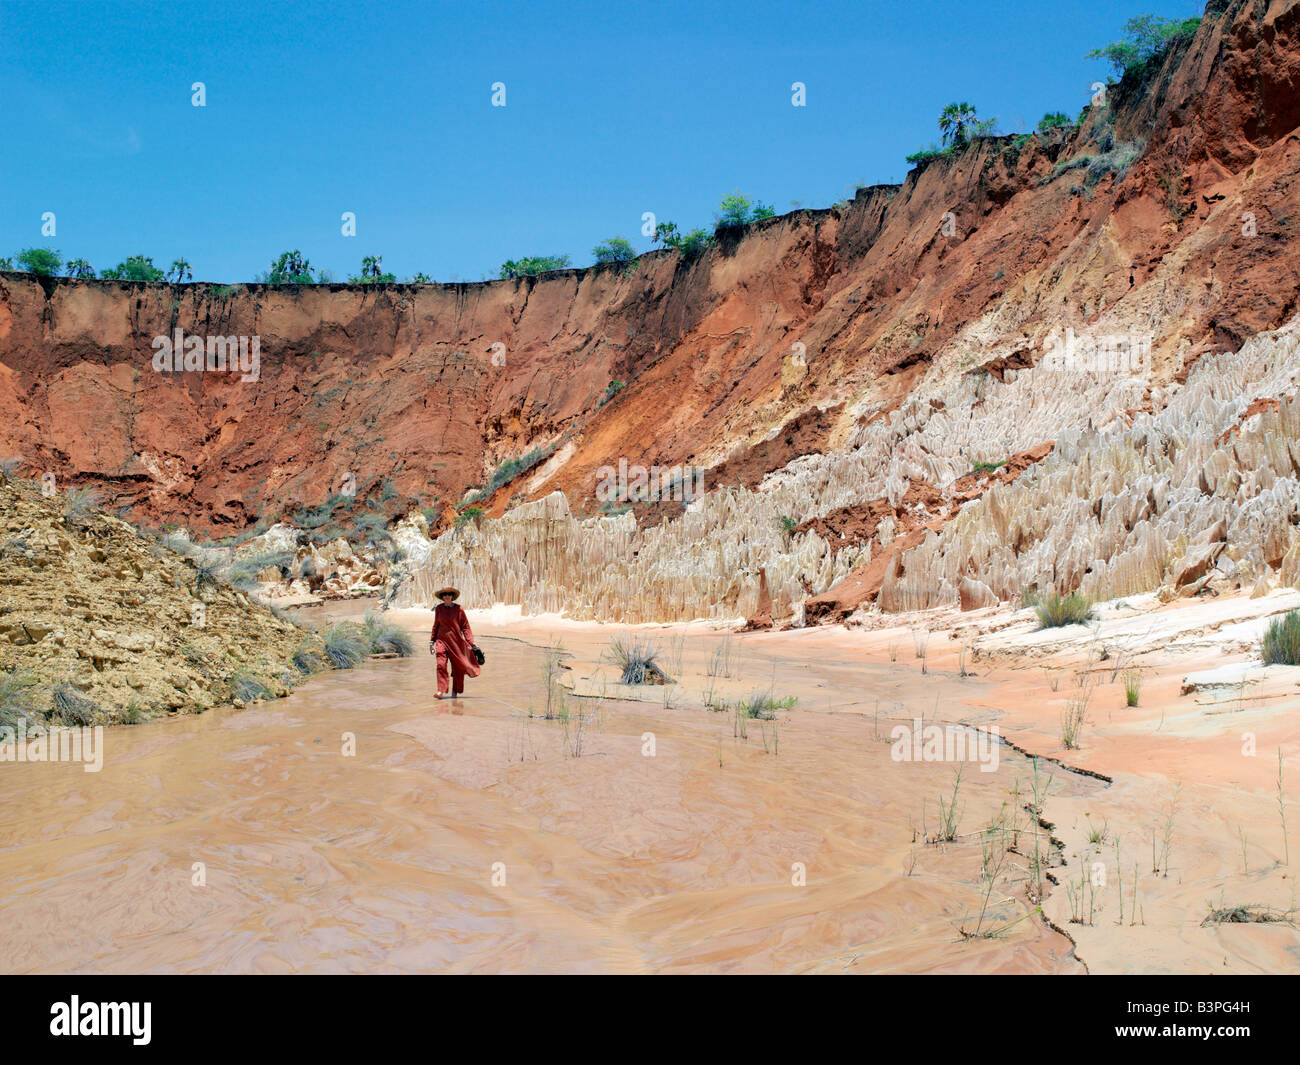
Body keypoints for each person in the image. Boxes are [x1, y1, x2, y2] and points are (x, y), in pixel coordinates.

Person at [429, 586, 480, 699]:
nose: (447, 596)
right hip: (441, 641)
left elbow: (465, 627)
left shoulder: (459, 609)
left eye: (449, 594)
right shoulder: (439, 609)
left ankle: (454, 693)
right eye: (444, 594)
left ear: (452, 596)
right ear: (442, 597)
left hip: (456, 642)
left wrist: (471, 643)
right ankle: (440, 690)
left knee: (458, 668)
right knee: (440, 664)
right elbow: (435, 625)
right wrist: (431, 642)